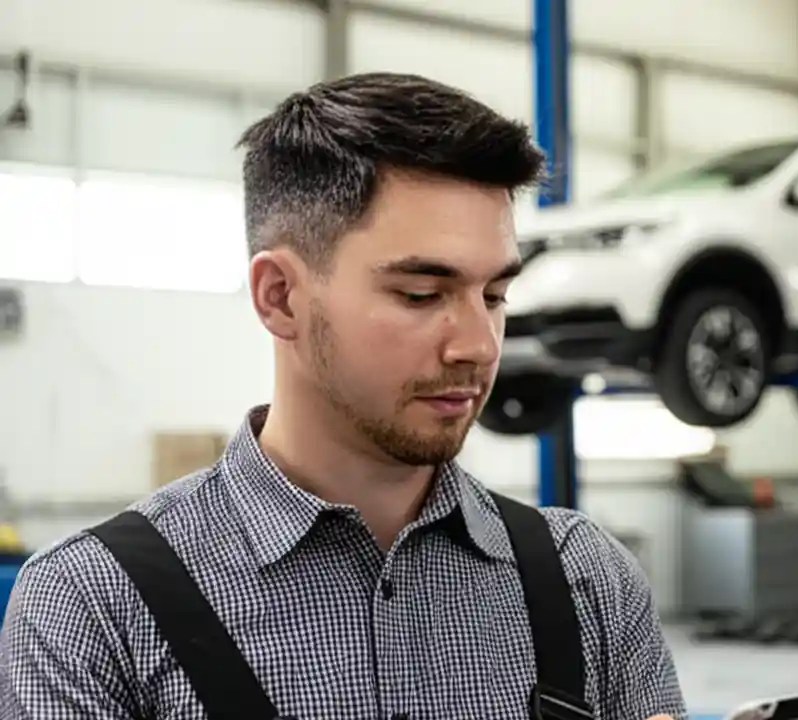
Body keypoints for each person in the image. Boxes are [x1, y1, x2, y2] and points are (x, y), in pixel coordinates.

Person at [0, 72, 686, 720]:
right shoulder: (95, 607)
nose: (478, 344)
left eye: (495, 295)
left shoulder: (586, 582)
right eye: (422, 294)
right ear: (281, 297)